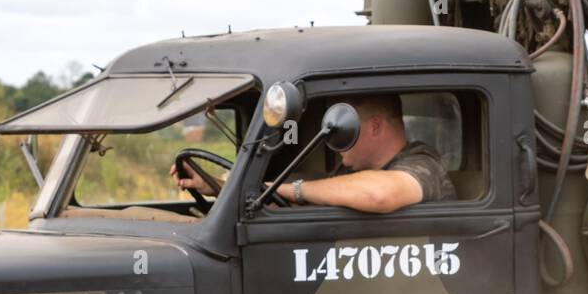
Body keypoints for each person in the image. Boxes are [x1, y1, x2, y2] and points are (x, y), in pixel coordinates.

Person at [172, 93, 456, 214]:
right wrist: (221, 187)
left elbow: (379, 194)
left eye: (343, 129)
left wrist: (293, 188)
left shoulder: (423, 164)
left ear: (375, 126)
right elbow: (289, 211)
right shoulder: (349, 173)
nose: (333, 139)